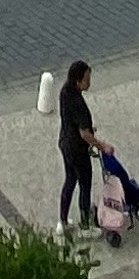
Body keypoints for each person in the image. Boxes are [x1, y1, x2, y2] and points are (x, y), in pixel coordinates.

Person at [54, 60, 98, 232]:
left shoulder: (65, 92)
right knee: (85, 184)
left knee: (70, 180)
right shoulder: (78, 103)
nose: (89, 82)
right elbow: (84, 133)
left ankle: (63, 222)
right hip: (78, 150)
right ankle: (86, 226)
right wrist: (101, 145)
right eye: (86, 79)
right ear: (77, 81)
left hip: (65, 143)